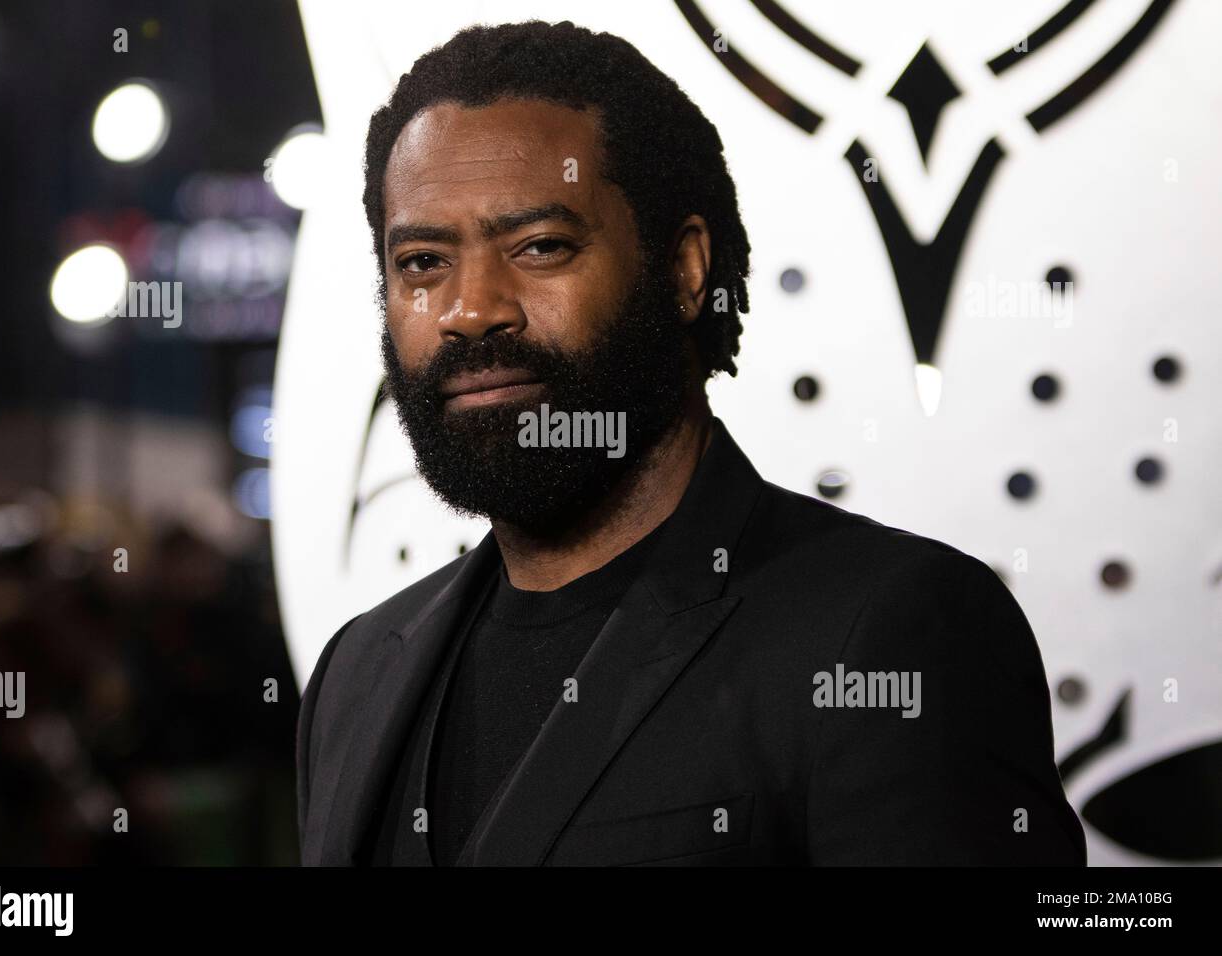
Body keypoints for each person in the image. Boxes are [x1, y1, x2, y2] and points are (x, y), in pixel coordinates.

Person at [296, 20, 1085, 866]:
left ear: (684, 272)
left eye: (540, 247)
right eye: (421, 262)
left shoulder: (888, 633)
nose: (471, 308)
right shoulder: (357, 671)